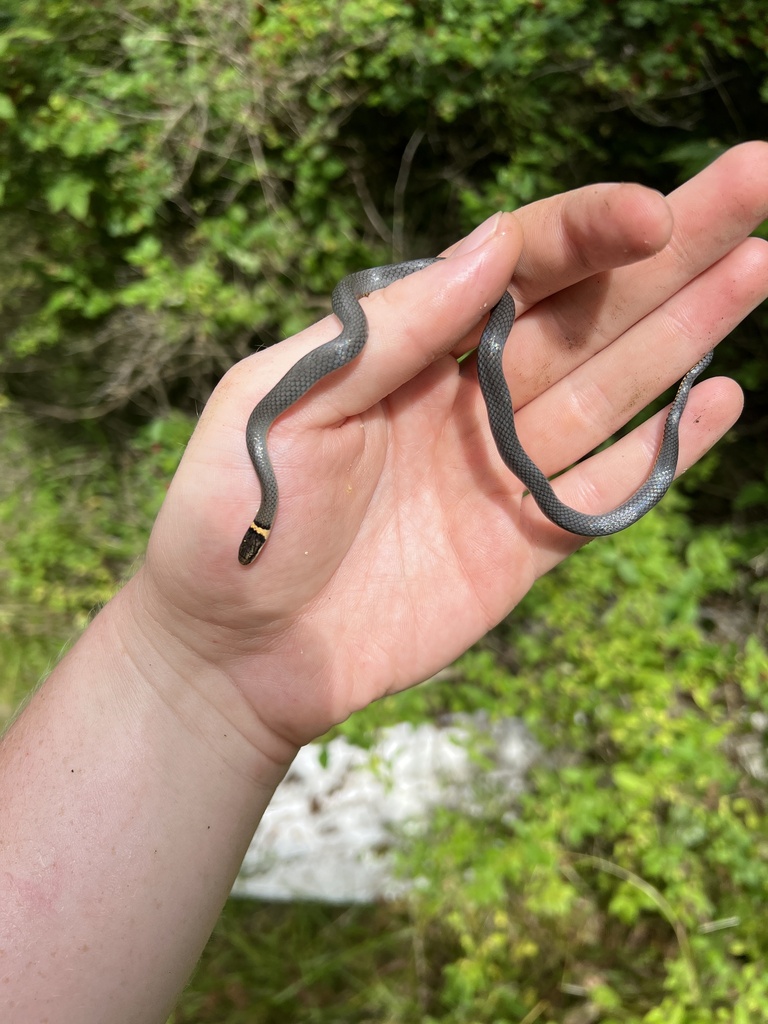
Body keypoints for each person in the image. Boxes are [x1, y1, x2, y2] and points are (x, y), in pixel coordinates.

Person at [1, 142, 767, 1023]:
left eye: (255, 536)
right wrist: (191, 659)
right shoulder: (264, 445)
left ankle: (683, 395)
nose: (257, 542)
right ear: (263, 521)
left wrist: (190, 672)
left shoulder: (286, 427)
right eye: (260, 536)